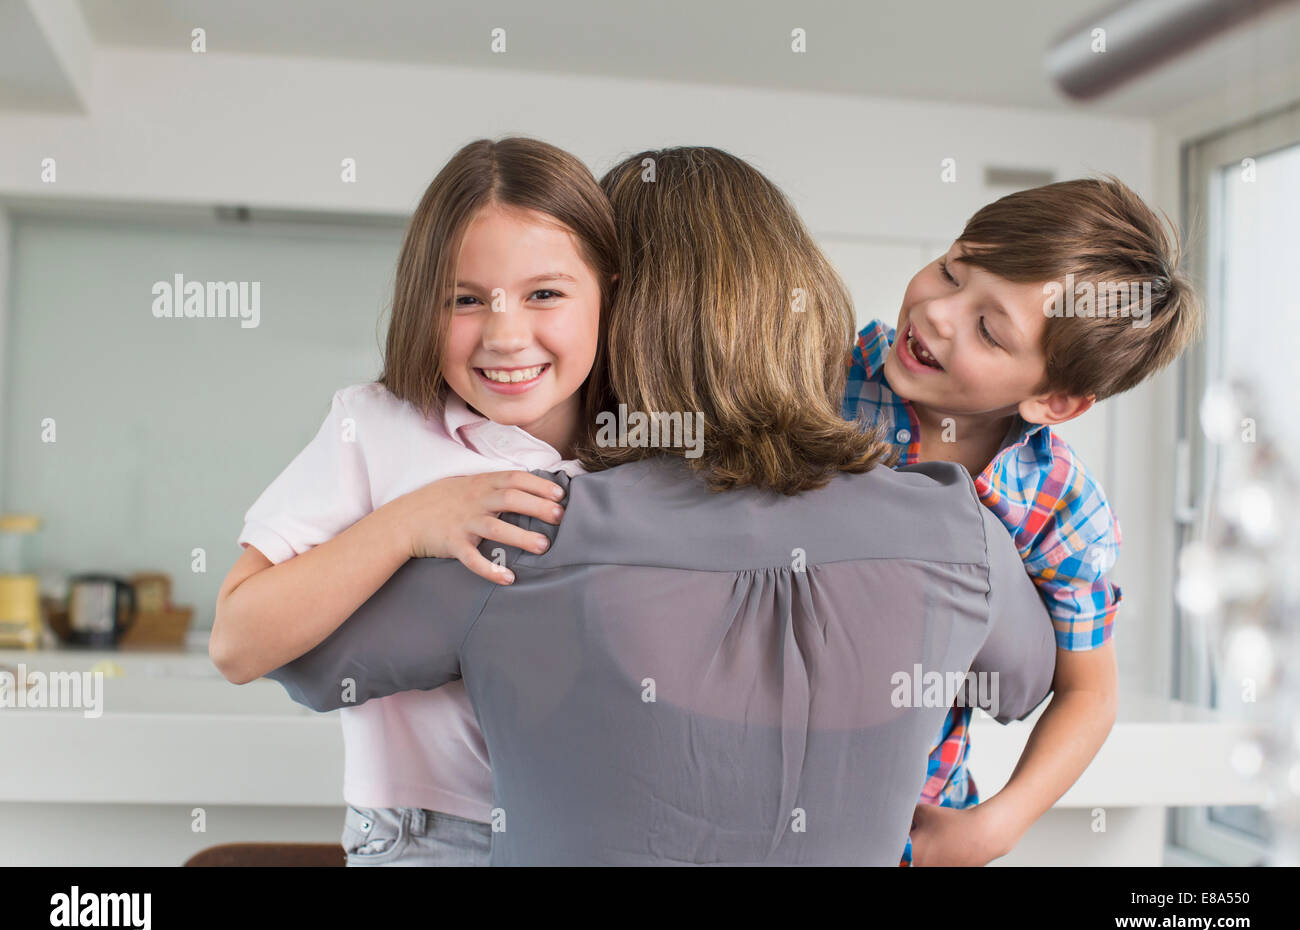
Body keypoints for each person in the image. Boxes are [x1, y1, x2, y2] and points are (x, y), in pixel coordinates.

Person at [267, 147, 1058, 865]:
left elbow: (309, 665)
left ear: (619, 322)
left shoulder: (530, 529)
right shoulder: (959, 527)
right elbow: (1024, 685)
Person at [211, 137, 617, 865]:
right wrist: (407, 525)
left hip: (601, 831)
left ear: (609, 291)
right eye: (464, 299)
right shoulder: (376, 424)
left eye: (545, 293)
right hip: (427, 834)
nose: (505, 334)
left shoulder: (647, 445)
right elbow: (237, 642)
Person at [843, 176, 1202, 864]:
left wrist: (996, 824)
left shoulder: (1058, 502)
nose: (938, 313)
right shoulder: (822, 376)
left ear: (1055, 401)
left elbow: (1089, 693)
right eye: (952, 268)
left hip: (903, 821)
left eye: (988, 329)